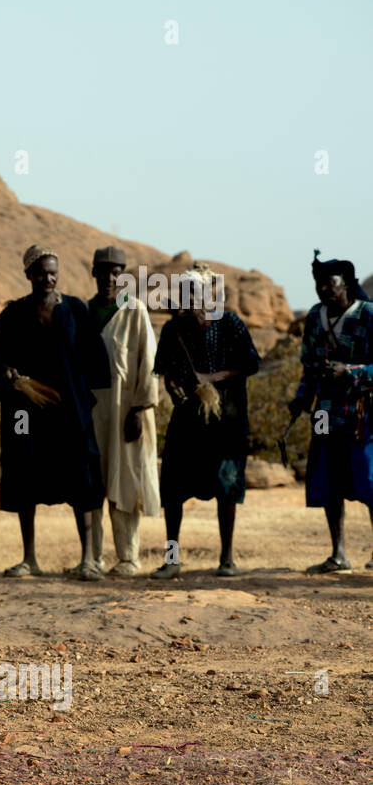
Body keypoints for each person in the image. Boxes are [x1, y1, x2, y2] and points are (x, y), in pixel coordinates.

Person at [0, 244, 111, 580]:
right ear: (28, 275)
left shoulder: (76, 310)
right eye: (41, 272)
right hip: (25, 413)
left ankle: (88, 559)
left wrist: (86, 399)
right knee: (24, 469)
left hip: (69, 409)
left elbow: (95, 357)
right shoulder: (13, 314)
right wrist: (7, 373)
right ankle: (29, 559)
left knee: (80, 474)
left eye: (53, 272)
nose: (48, 278)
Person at [151, 265, 260, 578]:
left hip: (227, 420)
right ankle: (172, 559)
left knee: (226, 486)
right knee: (172, 488)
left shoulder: (230, 323)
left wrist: (212, 378)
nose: (191, 296)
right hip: (188, 419)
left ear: (208, 292)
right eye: (185, 291)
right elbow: (166, 372)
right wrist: (175, 391)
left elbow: (251, 363)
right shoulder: (173, 329)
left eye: (196, 290)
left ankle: (227, 559)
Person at [289, 252, 373, 572]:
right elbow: (308, 366)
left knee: (368, 477)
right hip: (323, 409)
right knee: (328, 474)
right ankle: (338, 553)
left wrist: (349, 371)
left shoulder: (368, 315)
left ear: (348, 284)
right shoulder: (314, 316)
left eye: (329, 283)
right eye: (317, 283)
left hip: (363, 411)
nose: (322, 289)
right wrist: (301, 398)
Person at [85, 245, 160, 576]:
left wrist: (139, 410)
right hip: (92, 410)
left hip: (127, 411)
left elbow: (149, 363)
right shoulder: (83, 312)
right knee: (91, 484)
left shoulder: (135, 310)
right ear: (94, 274)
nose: (110, 279)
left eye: (116, 273)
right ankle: (92, 557)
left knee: (125, 481)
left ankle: (129, 557)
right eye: (104, 272)